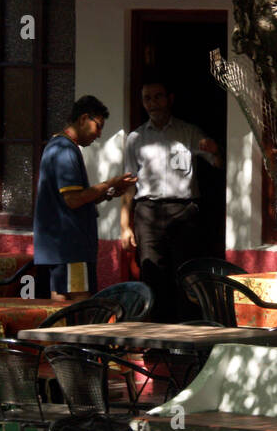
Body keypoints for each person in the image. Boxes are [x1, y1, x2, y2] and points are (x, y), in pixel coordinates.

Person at [120, 77, 222, 322]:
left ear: (170, 99)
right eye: (147, 98)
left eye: (158, 97)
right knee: (152, 275)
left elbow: (217, 163)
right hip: (147, 213)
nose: (153, 103)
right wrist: (125, 226)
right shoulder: (135, 139)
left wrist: (215, 150)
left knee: (186, 276)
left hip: (183, 212)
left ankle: (185, 342)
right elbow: (128, 185)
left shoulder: (188, 132)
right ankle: (155, 341)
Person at [33, 95, 135, 300]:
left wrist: (109, 193)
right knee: (79, 305)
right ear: (83, 119)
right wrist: (109, 183)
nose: (99, 135)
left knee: (60, 305)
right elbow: (73, 199)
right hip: (70, 247)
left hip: (64, 247)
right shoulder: (64, 150)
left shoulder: (61, 146)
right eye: (98, 126)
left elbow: (76, 198)